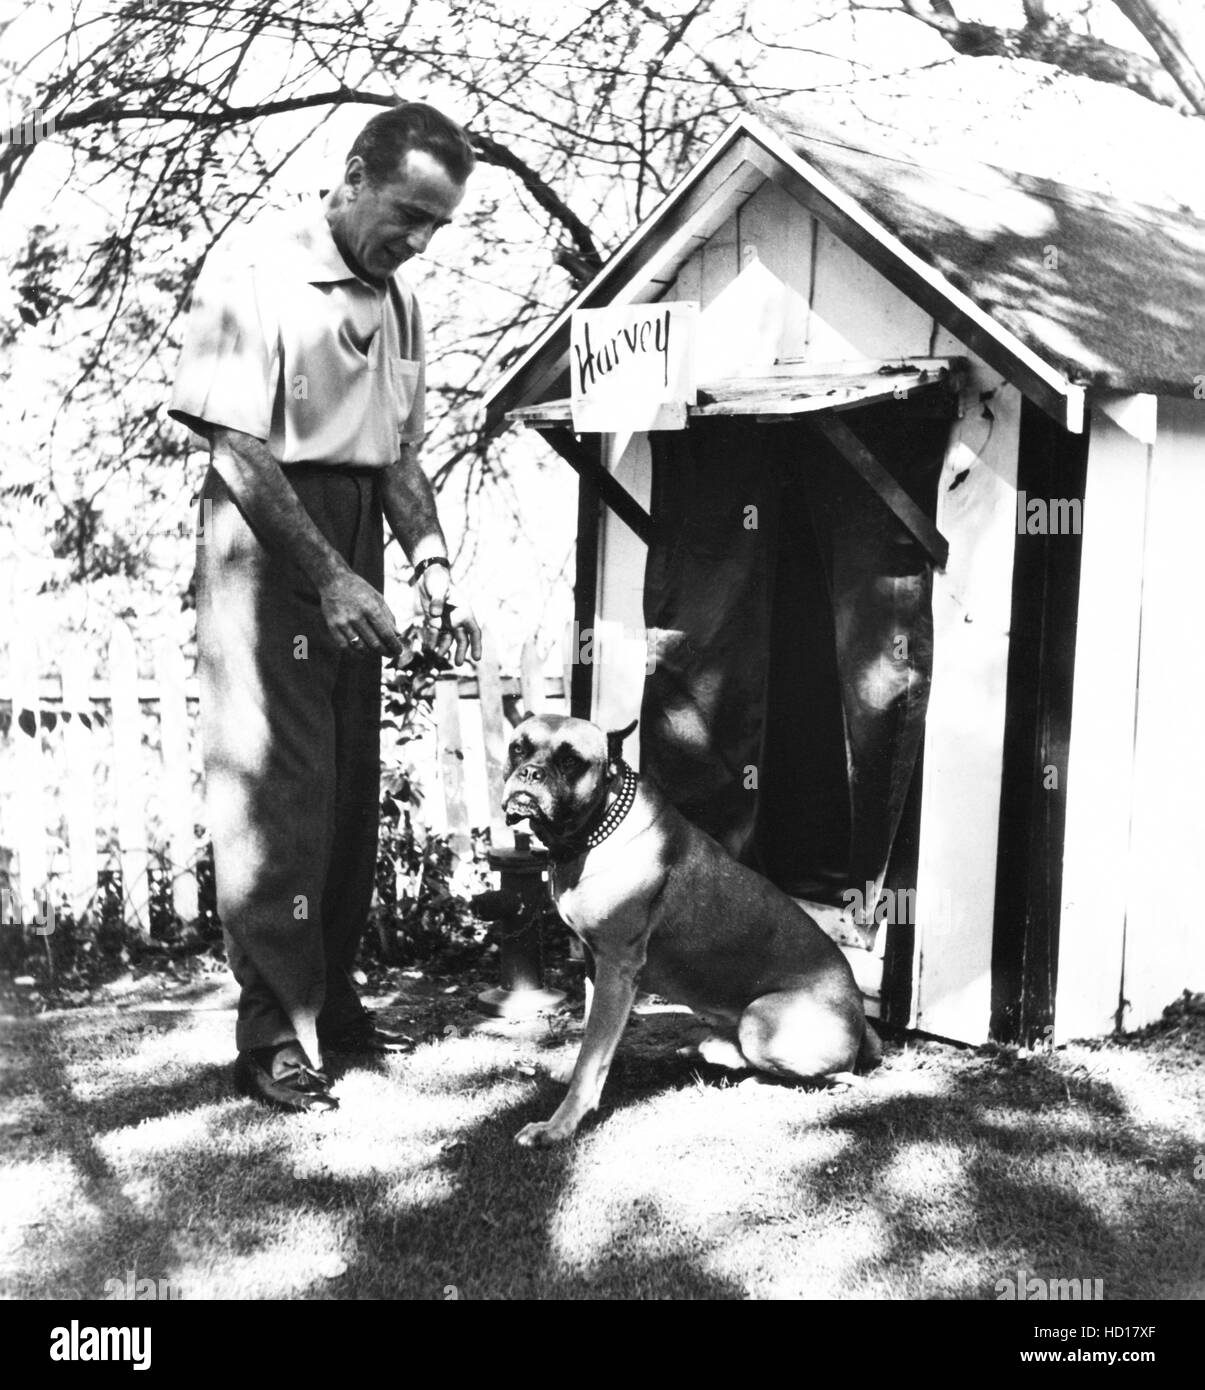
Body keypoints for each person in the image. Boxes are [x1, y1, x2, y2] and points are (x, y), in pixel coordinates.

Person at [169, 102, 482, 1111]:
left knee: (347, 789)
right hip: (265, 540)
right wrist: (332, 577)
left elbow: (395, 453)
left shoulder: (399, 301)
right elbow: (234, 446)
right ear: (352, 176)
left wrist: (426, 558)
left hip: (351, 534)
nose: (418, 240)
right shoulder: (253, 274)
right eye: (407, 214)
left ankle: (332, 1008)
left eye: (437, 226)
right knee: (278, 797)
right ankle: (272, 1037)